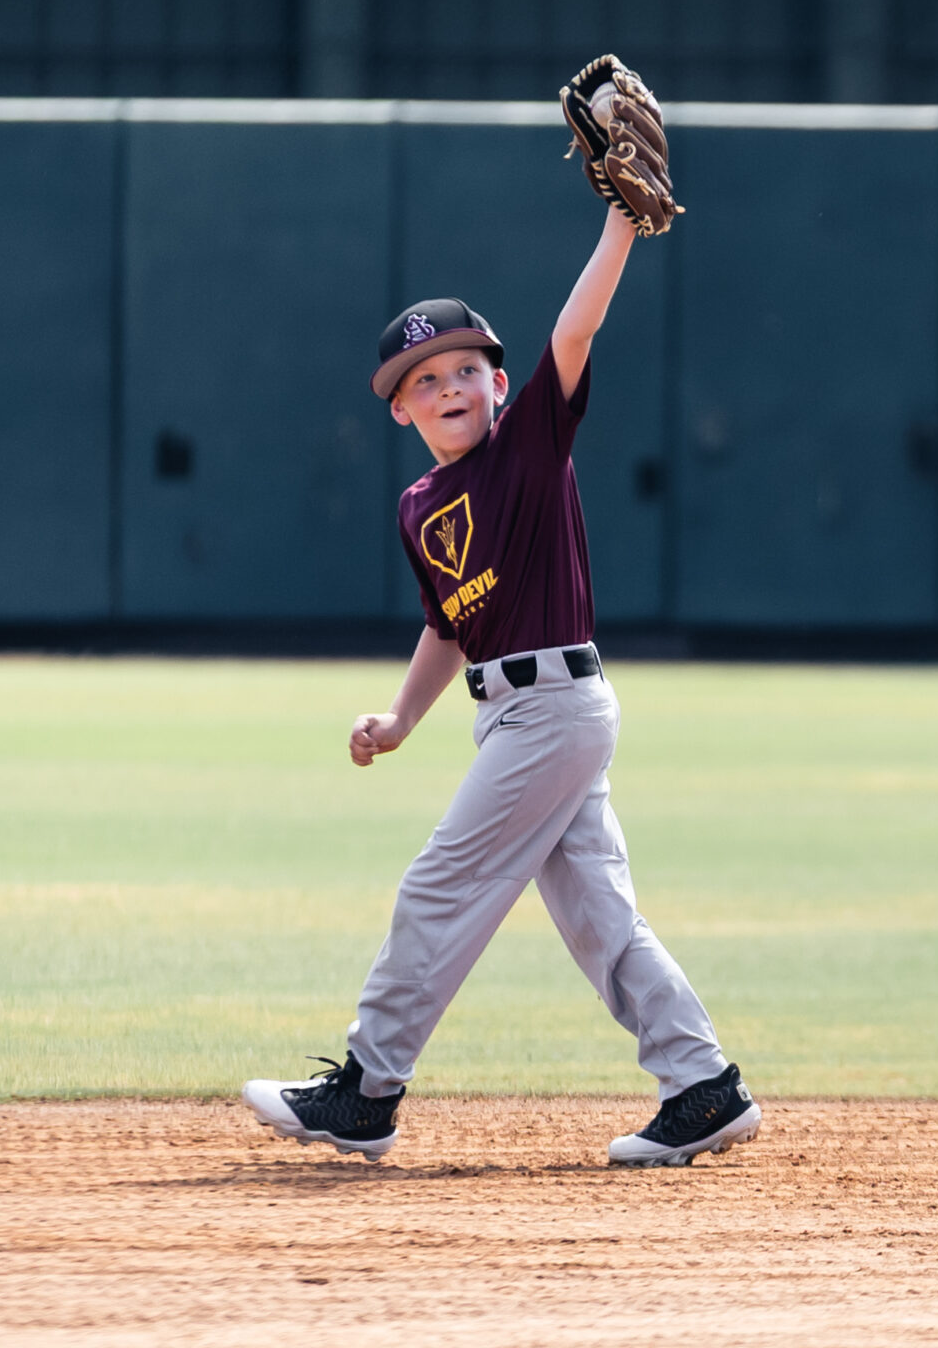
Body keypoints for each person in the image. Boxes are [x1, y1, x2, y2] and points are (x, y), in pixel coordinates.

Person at [242, 207, 759, 1169]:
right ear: (398, 409)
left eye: (464, 370)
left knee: (438, 886)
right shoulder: (418, 508)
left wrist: (619, 225)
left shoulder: (528, 447)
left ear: (501, 384)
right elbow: (450, 625)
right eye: (422, 380)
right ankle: (702, 1085)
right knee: (603, 917)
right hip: (516, 712)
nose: (446, 387)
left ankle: (367, 1089)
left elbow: (576, 331)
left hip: (555, 708)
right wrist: (400, 717)